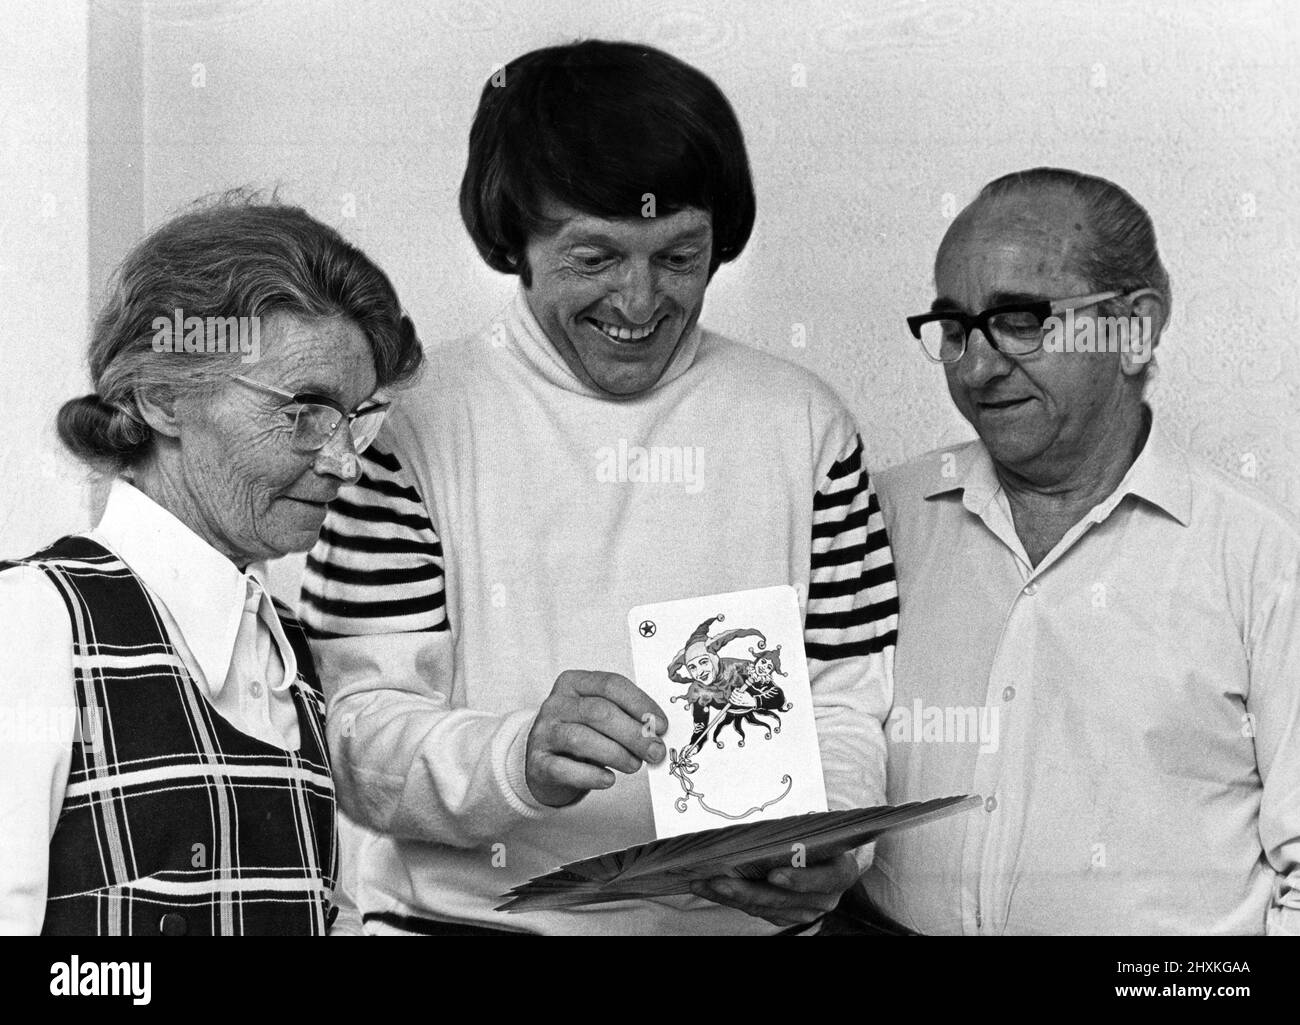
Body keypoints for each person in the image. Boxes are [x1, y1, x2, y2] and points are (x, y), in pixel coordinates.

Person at [301, 40, 898, 935]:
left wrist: (830, 846)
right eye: (595, 258)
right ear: (515, 246)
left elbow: (848, 705)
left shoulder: (807, 425)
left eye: (679, 256)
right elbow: (355, 738)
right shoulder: (405, 430)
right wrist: (519, 758)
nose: (639, 301)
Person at [859, 167, 1300, 934]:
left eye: (1021, 320)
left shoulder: (1262, 559)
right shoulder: (883, 519)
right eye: (956, 328)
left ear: (1134, 329)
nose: (975, 366)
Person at [0, 195, 423, 935]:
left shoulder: (287, 645)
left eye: (356, 418)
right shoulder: (31, 623)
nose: (344, 461)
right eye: (305, 410)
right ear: (163, 398)